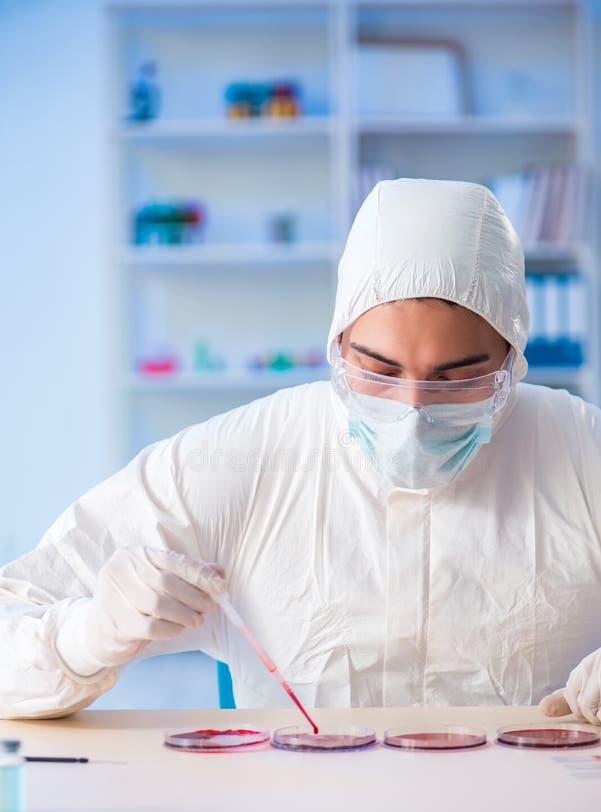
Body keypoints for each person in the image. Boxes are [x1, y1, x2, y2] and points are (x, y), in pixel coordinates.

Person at [1, 178, 600, 723]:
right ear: (337, 348)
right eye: (379, 371)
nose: (414, 414)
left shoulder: (580, 454)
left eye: (458, 379)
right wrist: (85, 636)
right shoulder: (243, 461)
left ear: (513, 363)